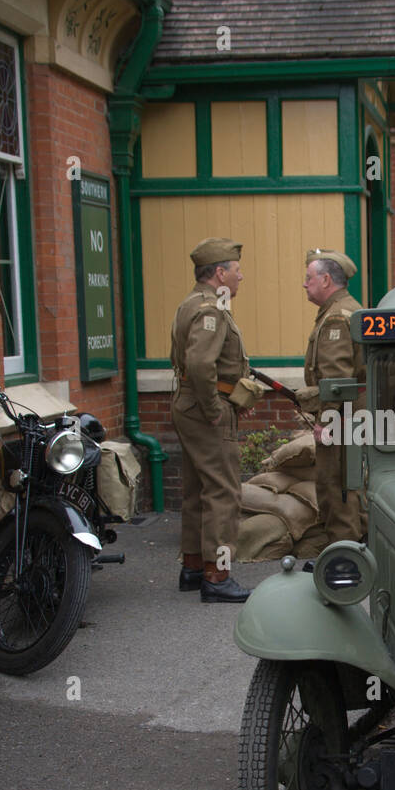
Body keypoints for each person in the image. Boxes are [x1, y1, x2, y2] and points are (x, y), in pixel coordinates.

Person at [170, 238, 263, 602]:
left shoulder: (191, 303)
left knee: (197, 491)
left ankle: (194, 567)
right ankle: (218, 576)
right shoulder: (211, 310)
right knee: (223, 492)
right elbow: (200, 364)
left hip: (190, 404)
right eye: (237, 271)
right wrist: (214, 409)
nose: (242, 277)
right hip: (206, 408)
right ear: (220, 273)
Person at [298, 249, 366, 544]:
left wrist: (326, 421)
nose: (305, 284)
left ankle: (343, 557)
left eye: (309, 278)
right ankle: (357, 547)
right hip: (350, 414)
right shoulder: (344, 310)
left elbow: (336, 379)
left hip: (341, 417)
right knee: (350, 482)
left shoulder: (337, 318)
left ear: (326, 280)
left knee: (336, 484)